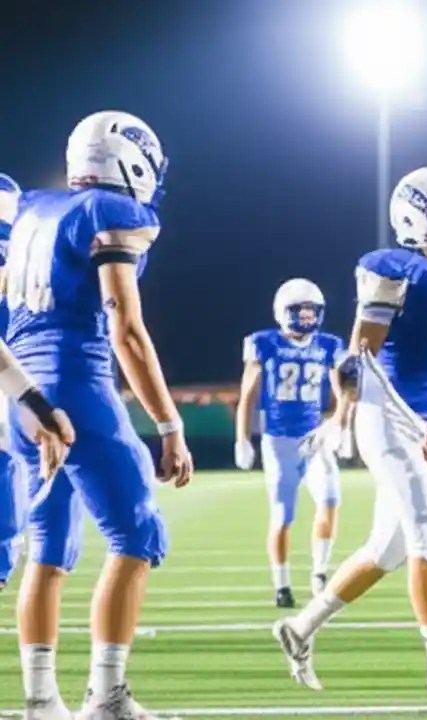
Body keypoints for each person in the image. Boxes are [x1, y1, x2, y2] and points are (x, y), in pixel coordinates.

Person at [272, 167, 427, 696]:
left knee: (389, 548)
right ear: (414, 216)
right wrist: (385, 421)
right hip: (385, 415)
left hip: (421, 416)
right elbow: (360, 361)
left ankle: (299, 628)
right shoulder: (393, 269)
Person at [8, 111, 193, 718]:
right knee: (137, 533)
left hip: (16, 394)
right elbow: (126, 329)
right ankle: (107, 696)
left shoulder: (34, 208)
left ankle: (40, 701)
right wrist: (169, 424)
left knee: (49, 548)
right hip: (74, 382)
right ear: (133, 164)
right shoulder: (115, 214)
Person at [235, 279, 345, 607]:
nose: (308, 317)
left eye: (312, 311)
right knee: (282, 515)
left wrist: (339, 424)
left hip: (314, 438)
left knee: (330, 500)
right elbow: (247, 395)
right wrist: (242, 437)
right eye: (300, 310)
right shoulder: (264, 343)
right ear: (283, 312)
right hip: (279, 439)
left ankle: (319, 571)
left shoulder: (328, 345)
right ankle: (281, 583)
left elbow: (342, 389)